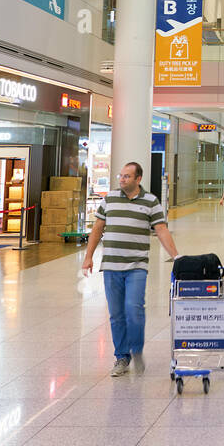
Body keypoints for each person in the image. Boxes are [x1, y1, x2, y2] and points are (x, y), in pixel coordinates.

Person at [82, 160, 178, 376]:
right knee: (116, 314)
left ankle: (136, 350)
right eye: (121, 176)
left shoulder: (151, 201)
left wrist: (176, 256)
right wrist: (88, 256)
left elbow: (161, 230)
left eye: (127, 176)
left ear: (138, 179)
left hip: (137, 266)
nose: (122, 179)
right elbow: (98, 228)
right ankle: (121, 357)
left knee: (134, 310)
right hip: (111, 266)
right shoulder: (109, 199)